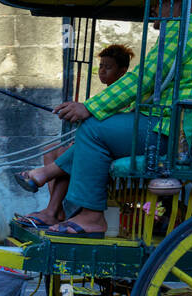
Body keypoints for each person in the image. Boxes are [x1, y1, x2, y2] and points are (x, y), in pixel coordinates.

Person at [17, 0, 192, 238]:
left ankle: (89, 215)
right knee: (95, 131)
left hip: (182, 133)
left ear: (176, 0)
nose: (156, 9)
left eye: (159, 2)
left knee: (93, 130)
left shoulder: (187, 27)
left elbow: (144, 78)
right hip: (191, 128)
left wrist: (89, 107)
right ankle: (49, 188)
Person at [13, 44, 130, 228]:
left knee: (65, 155)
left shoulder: (126, 97)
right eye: (101, 66)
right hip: (97, 141)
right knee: (49, 151)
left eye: (108, 67)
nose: (102, 71)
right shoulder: (103, 95)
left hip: (113, 146)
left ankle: (52, 211)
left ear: (123, 71)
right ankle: (57, 211)